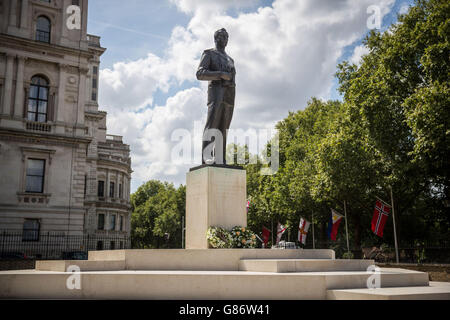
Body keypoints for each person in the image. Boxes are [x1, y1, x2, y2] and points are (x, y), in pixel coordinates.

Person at [196, 28, 236, 165]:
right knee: (212, 125)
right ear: (216, 38)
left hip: (229, 96)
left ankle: (220, 158)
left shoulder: (230, 59)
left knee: (224, 128)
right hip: (216, 94)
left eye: (226, 37)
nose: (224, 39)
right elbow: (200, 74)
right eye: (222, 36)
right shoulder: (209, 54)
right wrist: (219, 74)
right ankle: (207, 157)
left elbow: (232, 78)